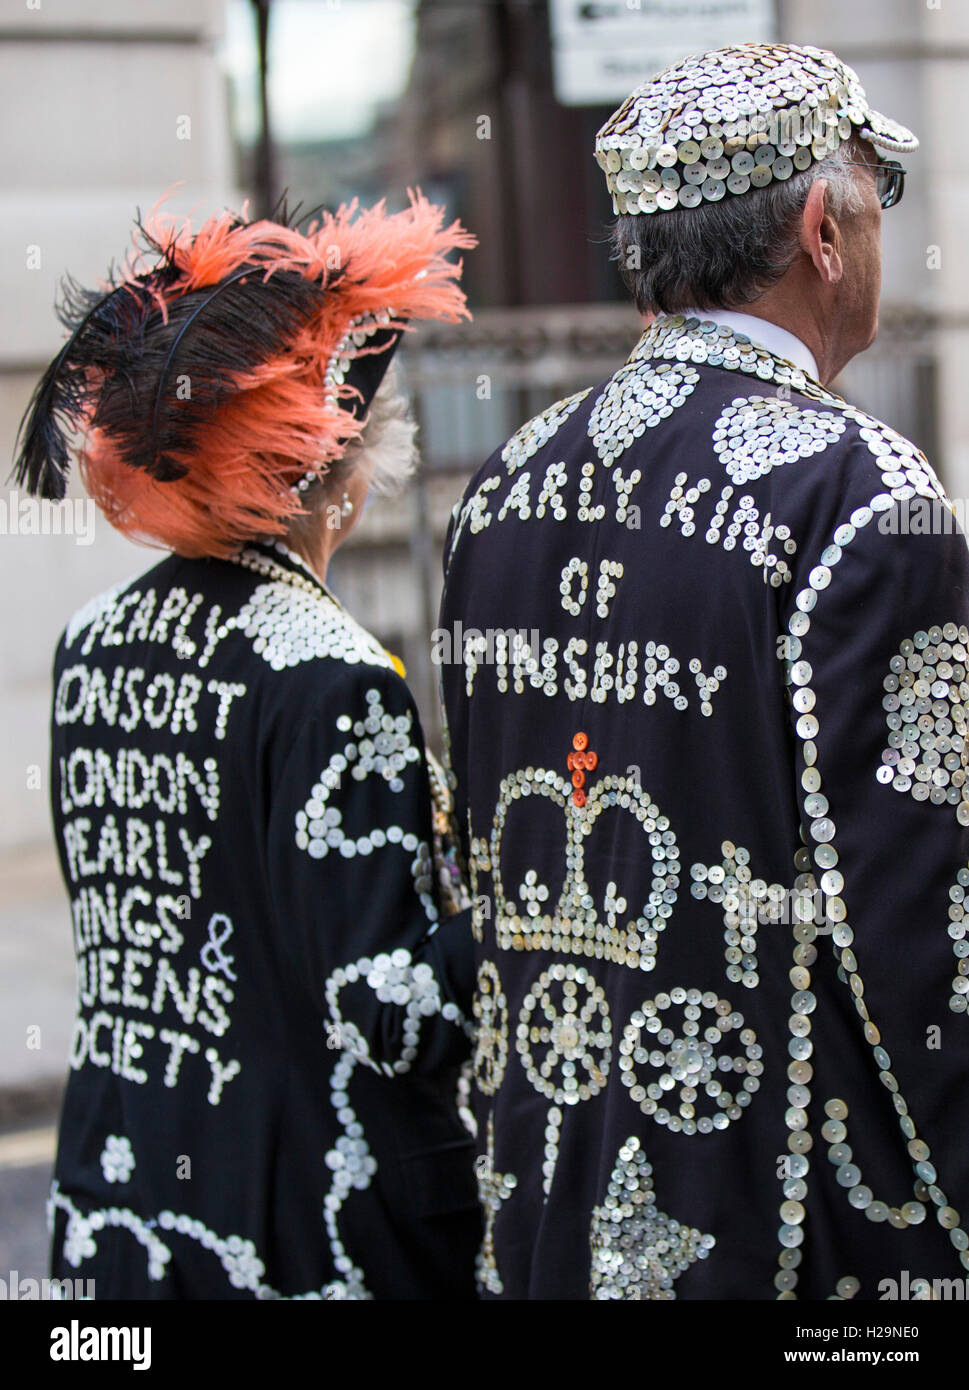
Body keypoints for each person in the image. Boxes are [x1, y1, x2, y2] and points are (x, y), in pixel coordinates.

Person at [439, 42, 969, 1300]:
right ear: (817, 230)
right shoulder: (866, 490)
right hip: (797, 1233)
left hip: (553, 1212)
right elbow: (924, 926)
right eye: (872, 198)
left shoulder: (504, 484)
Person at [14, 193, 482, 1299]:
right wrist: (514, 903)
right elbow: (395, 1016)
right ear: (348, 472)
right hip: (306, 1237)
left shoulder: (91, 644)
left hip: (120, 1219)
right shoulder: (338, 679)